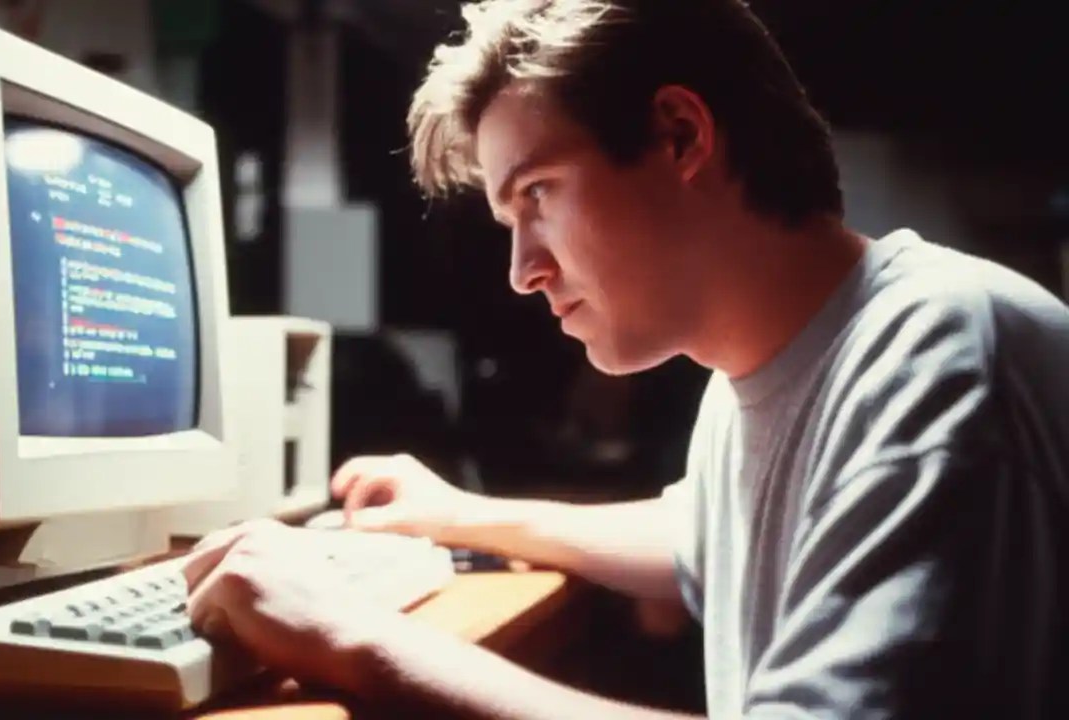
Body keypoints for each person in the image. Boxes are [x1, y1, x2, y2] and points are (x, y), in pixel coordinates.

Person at [182, 0, 1069, 717]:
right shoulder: (768, 367)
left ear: (680, 135)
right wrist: (461, 514)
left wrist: (354, 637)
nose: (524, 270)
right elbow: (701, 535)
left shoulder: (939, 357)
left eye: (539, 194)